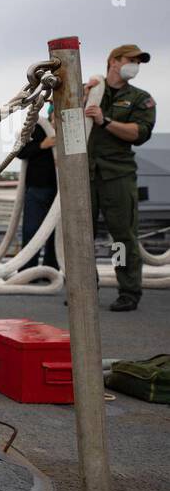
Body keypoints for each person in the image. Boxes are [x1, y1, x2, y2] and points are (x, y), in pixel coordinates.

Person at [84, 45, 156, 312]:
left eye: (138, 62)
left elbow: (139, 132)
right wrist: (82, 94)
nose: (134, 65)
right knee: (81, 236)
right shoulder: (90, 91)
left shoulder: (140, 98)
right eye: (130, 60)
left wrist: (105, 121)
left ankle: (128, 291)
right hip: (85, 175)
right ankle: (83, 288)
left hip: (118, 175)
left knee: (122, 237)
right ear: (113, 61)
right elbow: (58, 119)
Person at [15, 118, 58, 272]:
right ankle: (28, 269)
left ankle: (51, 269)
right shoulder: (37, 127)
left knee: (57, 233)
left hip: (62, 190)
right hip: (38, 186)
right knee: (32, 230)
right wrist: (42, 145)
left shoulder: (74, 125)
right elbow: (19, 151)